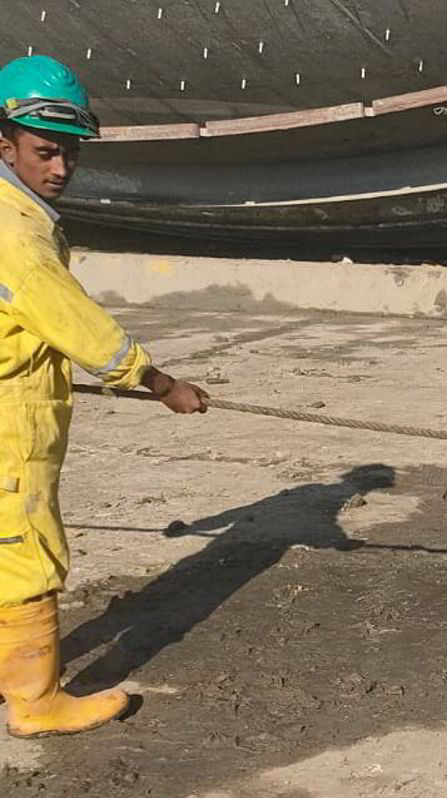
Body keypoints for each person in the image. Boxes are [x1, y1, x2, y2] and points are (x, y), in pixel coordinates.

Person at [0, 54, 208, 739]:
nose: (59, 169)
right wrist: (162, 383)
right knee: (27, 548)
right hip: (11, 419)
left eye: (70, 156)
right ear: (5, 144)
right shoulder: (18, 233)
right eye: (45, 153)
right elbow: (83, 328)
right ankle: (35, 703)